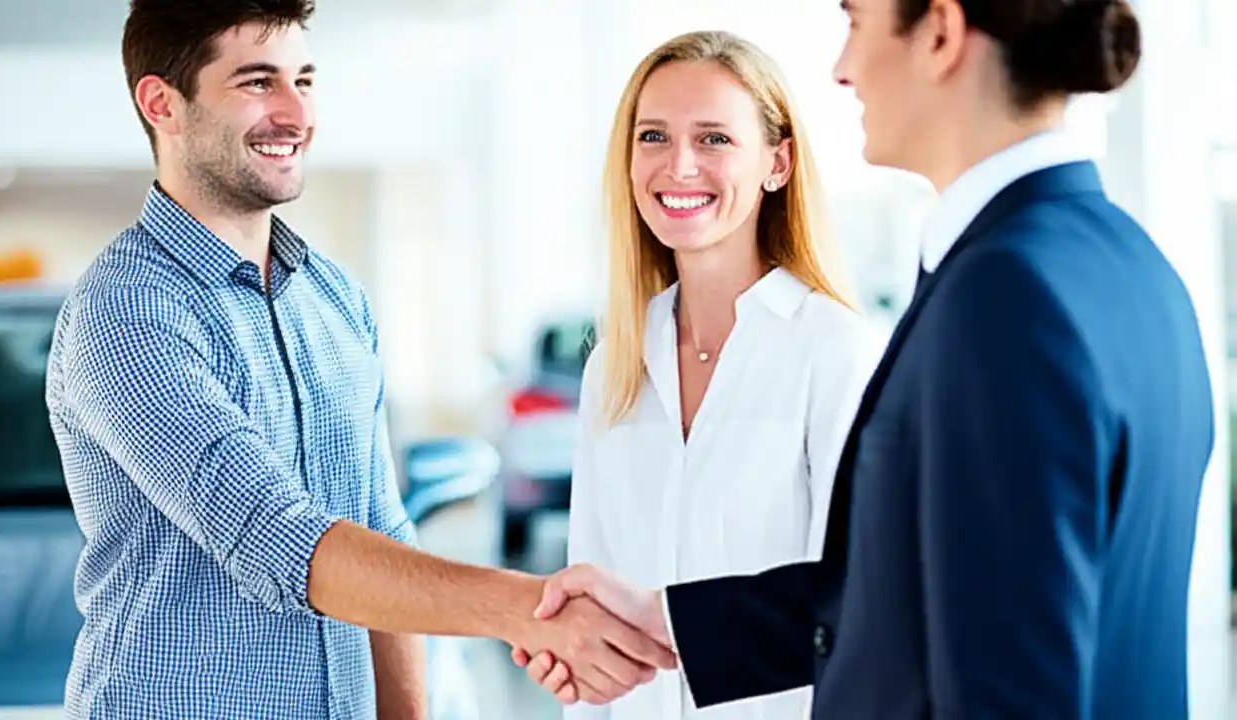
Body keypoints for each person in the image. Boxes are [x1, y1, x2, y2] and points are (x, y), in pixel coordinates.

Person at [516, 1, 1215, 718]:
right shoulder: (1132, 268)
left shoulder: (1005, 294)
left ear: (939, 33)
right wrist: (670, 620)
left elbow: (1008, 674)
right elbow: (900, 596)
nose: (842, 69)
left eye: (855, 21)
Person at [44, 1, 674, 717]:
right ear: (163, 104)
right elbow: (279, 537)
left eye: (303, 80)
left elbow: (381, 529)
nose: (295, 114)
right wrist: (530, 608)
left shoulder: (336, 299)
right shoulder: (125, 311)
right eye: (257, 83)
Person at [509, 30, 881, 719]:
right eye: (653, 137)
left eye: (714, 138)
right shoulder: (614, 364)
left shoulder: (834, 352)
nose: (679, 165)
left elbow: (861, 603)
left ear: (778, 163)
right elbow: (589, 607)